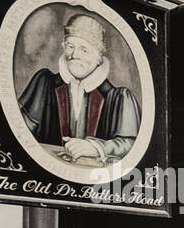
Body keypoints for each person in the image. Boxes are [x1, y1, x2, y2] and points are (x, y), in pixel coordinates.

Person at [17, 13, 140, 164]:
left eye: (84, 49)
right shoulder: (44, 83)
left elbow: (134, 146)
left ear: (98, 55)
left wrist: (96, 148)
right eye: (70, 47)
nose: (74, 55)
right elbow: (19, 131)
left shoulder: (119, 98)